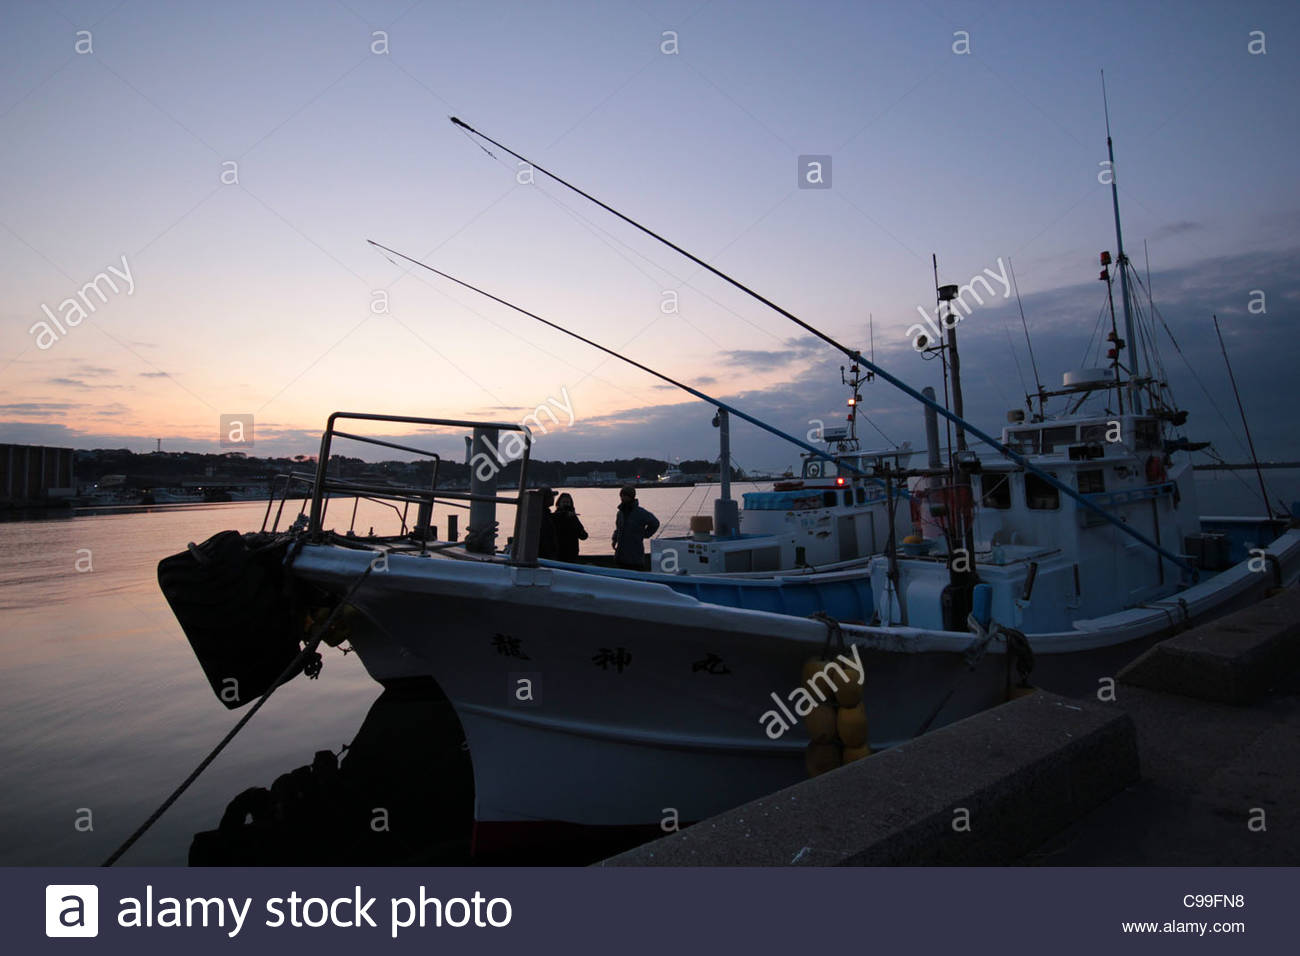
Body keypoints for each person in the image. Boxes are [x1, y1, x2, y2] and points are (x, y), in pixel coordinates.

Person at [611, 484, 659, 570]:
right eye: (621, 496)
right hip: (620, 554)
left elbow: (655, 523)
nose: (621, 498)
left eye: (624, 496)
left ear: (631, 496)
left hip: (635, 555)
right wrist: (614, 539)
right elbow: (618, 528)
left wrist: (645, 534)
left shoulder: (641, 512)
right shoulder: (620, 513)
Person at [552, 492, 588, 562]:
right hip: (558, 554)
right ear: (558, 504)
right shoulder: (554, 517)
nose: (566, 504)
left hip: (572, 554)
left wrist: (573, 519)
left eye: (568, 502)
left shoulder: (573, 518)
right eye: (564, 502)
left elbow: (583, 536)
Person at [536, 487, 558, 560]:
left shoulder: (541, 512)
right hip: (545, 555)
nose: (553, 498)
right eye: (551, 497)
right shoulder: (543, 515)